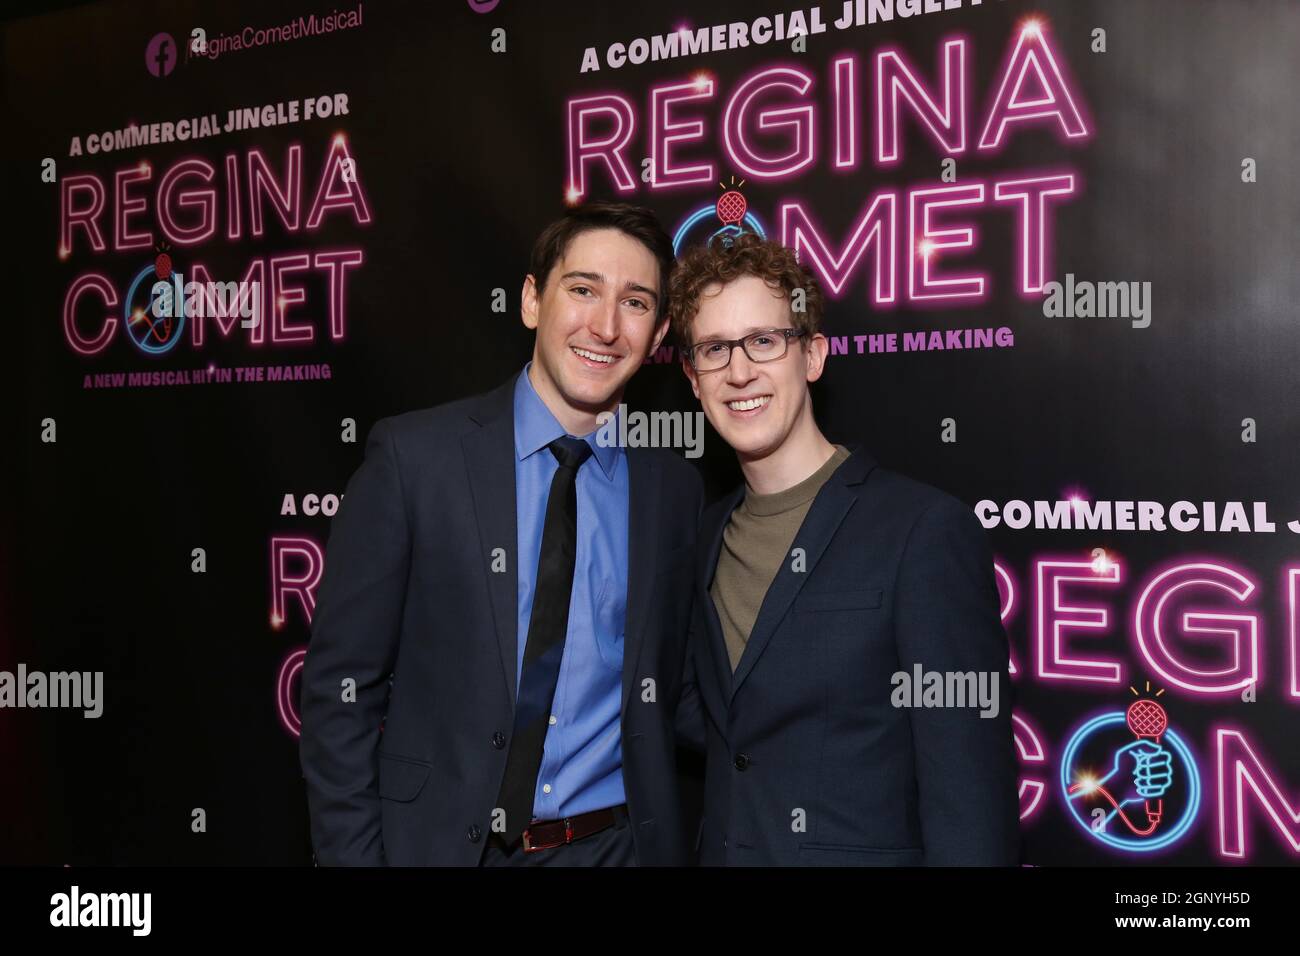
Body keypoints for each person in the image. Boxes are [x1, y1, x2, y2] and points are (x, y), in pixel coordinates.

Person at [300, 201, 703, 866]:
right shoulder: (415, 461)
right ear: (531, 300)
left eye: (634, 303)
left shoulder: (673, 492)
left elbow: (680, 688)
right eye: (582, 290)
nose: (604, 326)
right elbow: (339, 692)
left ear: (659, 331)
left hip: (611, 849)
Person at [670, 232, 1020, 865]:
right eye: (714, 349)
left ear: (813, 356)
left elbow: (968, 793)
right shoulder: (701, 535)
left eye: (764, 340)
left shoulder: (923, 531)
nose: (739, 370)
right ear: (693, 379)